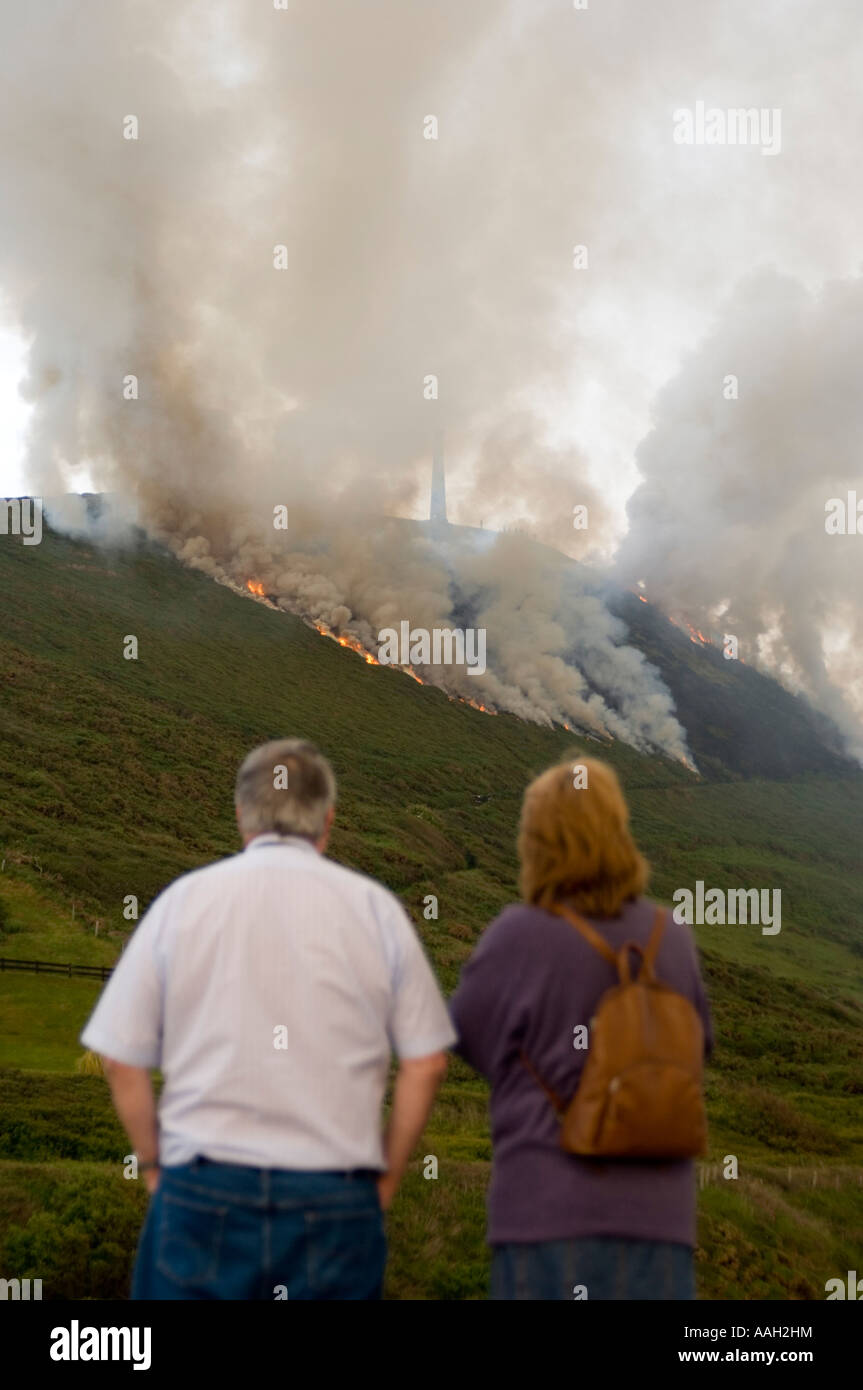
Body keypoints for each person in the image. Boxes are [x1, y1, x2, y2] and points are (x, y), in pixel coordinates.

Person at [81, 738, 455, 1300]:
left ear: (241, 814)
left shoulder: (184, 902)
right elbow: (426, 1062)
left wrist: (156, 1165)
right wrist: (388, 1176)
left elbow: (119, 1056)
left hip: (202, 1190)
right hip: (335, 1199)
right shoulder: (376, 909)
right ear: (328, 821)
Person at [450, 757, 713, 1301]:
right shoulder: (673, 937)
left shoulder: (519, 935)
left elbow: (468, 1035)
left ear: (538, 839)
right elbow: (697, 1047)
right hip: (659, 1227)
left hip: (546, 1217)